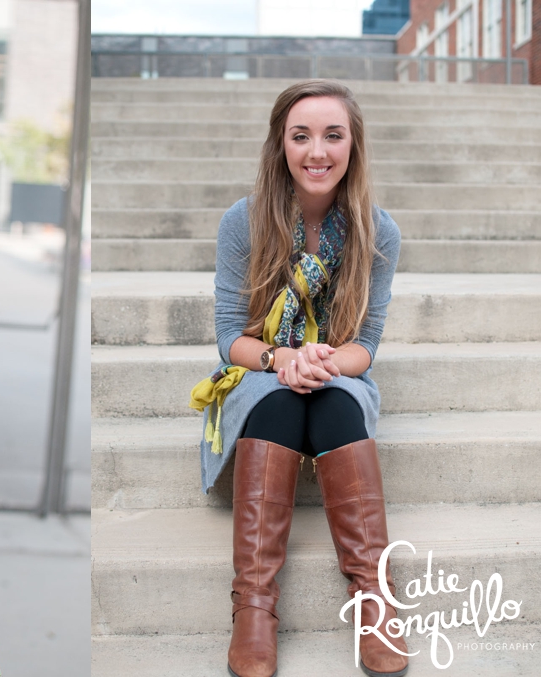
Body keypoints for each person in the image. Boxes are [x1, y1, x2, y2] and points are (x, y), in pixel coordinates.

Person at [189, 80, 409, 677]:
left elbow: (365, 345)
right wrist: (282, 361)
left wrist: (323, 363)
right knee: (279, 404)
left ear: (353, 145)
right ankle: (254, 608)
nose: (318, 151)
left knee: (336, 405)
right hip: (259, 368)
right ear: (280, 146)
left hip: (336, 371)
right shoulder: (244, 221)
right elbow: (231, 335)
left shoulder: (377, 231)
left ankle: (374, 601)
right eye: (301, 135)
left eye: (333, 135)